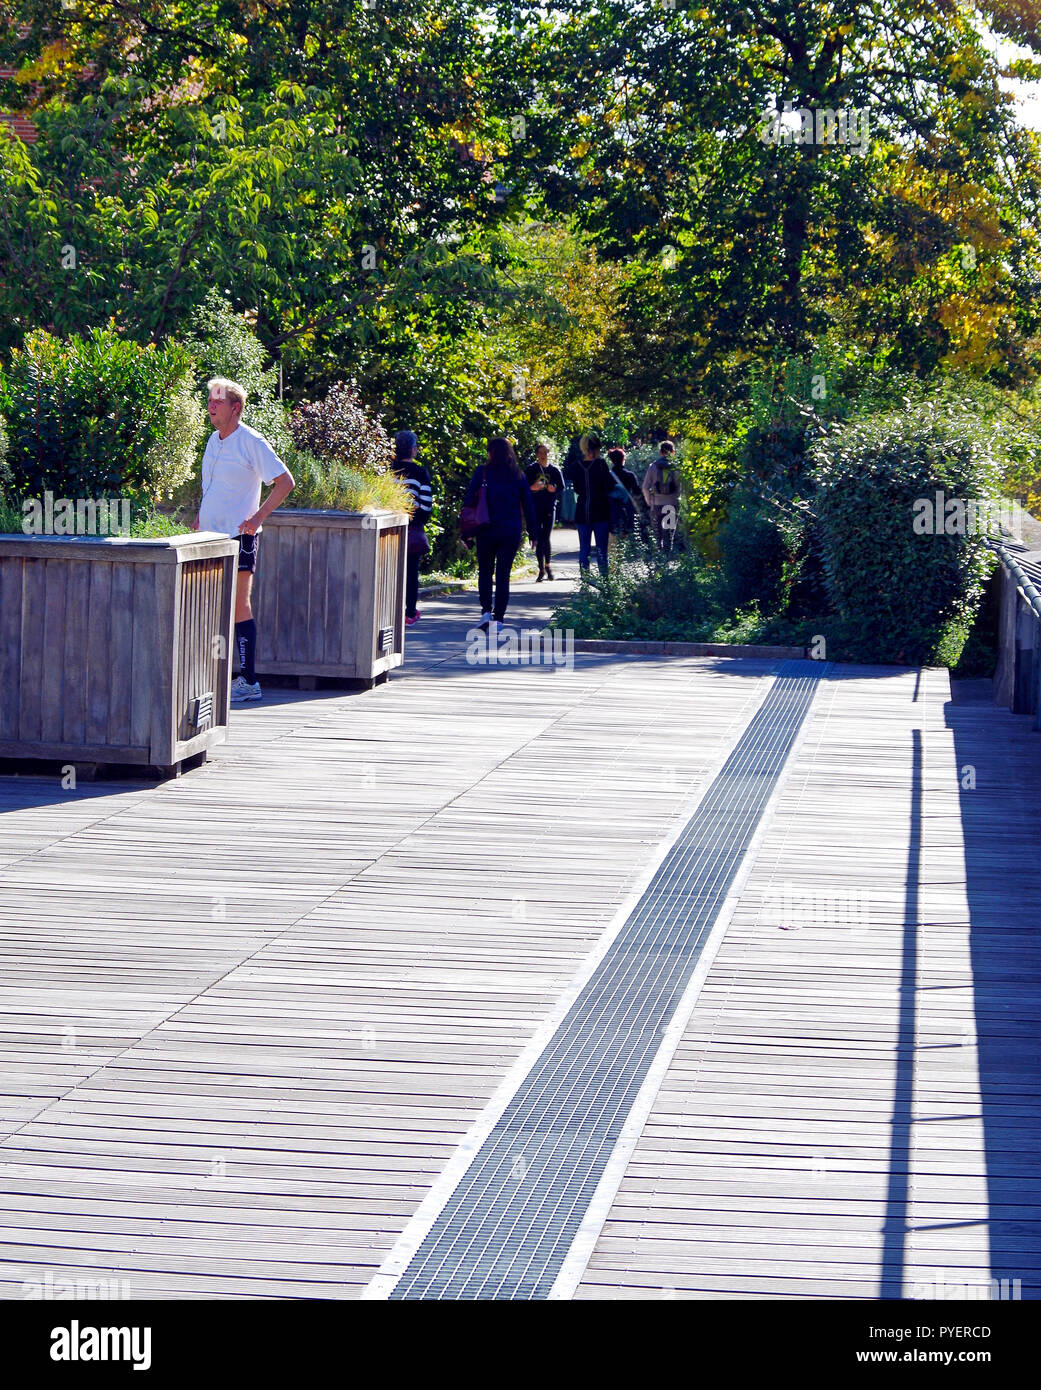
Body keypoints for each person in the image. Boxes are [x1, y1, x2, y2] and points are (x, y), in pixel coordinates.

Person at [193, 377, 295, 703]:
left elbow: (284, 482)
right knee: (210, 607)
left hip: (240, 536)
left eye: (218, 401)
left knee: (239, 606)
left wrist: (257, 518)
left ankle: (249, 681)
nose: (211, 405)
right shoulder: (212, 440)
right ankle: (216, 677)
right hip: (209, 538)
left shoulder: (252, 441)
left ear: (235, 408)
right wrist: (199, 517)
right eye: (210, 400)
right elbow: (212, 487)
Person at [462, 437, 536, 629]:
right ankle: (499, 619)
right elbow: (528, 506)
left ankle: (486, 613)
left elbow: (469, 500)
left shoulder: (482, 472)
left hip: (486, 530)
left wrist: (466, 532)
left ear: (491, 453)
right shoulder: (518, 476)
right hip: (510, 531)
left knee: (485, 571)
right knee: (503, 575)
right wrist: (534, 533)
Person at [391, 429, 433, 626]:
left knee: (389, 569)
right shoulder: (420, 473)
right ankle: (409, 612)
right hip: (412, 526)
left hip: (388, 527)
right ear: (413, 450)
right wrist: (418, 521)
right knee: (411, 570)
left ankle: (389, 609)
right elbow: (425, 504)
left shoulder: (387, 468)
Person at [572, 433, 613, 576]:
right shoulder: (601, 464)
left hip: (582, 511)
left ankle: (585, 580)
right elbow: (609, 486)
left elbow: (577, 488)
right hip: (601, 511)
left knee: (584, 548)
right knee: (602, 549)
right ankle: (605, 582)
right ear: (597, 448)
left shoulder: (576, 466)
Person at [525, 443, 564, 581]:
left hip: (549, 507)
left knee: (545, 537)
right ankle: (541, 568)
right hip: (535, 508)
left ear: (549, 453)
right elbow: (523, 488)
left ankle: (547, 566)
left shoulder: (554, 470)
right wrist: (532, 487)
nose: (543, 455)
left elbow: (562, 487)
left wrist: (554, 489)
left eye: (545, 452)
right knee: (537, 538)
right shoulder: (531, 469)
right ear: (536, 454)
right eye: (540, 453)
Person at [642, 439, 681, 554]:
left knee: (658, 535)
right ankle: (667, 559)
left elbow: (645, 487)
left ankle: (659, 560)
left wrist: (649, 502)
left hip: (657, 504)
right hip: (672, 504)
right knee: (669, 534)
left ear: (660, 452)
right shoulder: (676, 467)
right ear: (673, 452)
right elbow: (680, 488)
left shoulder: (653, 466)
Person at [607, 446, 641, 538]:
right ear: (623, 459)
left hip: (611, 511)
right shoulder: (630, 475)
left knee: (612, 542)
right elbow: (637, 493)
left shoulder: (606, 476)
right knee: (626, 537)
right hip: (627, 509)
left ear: (611, 460)